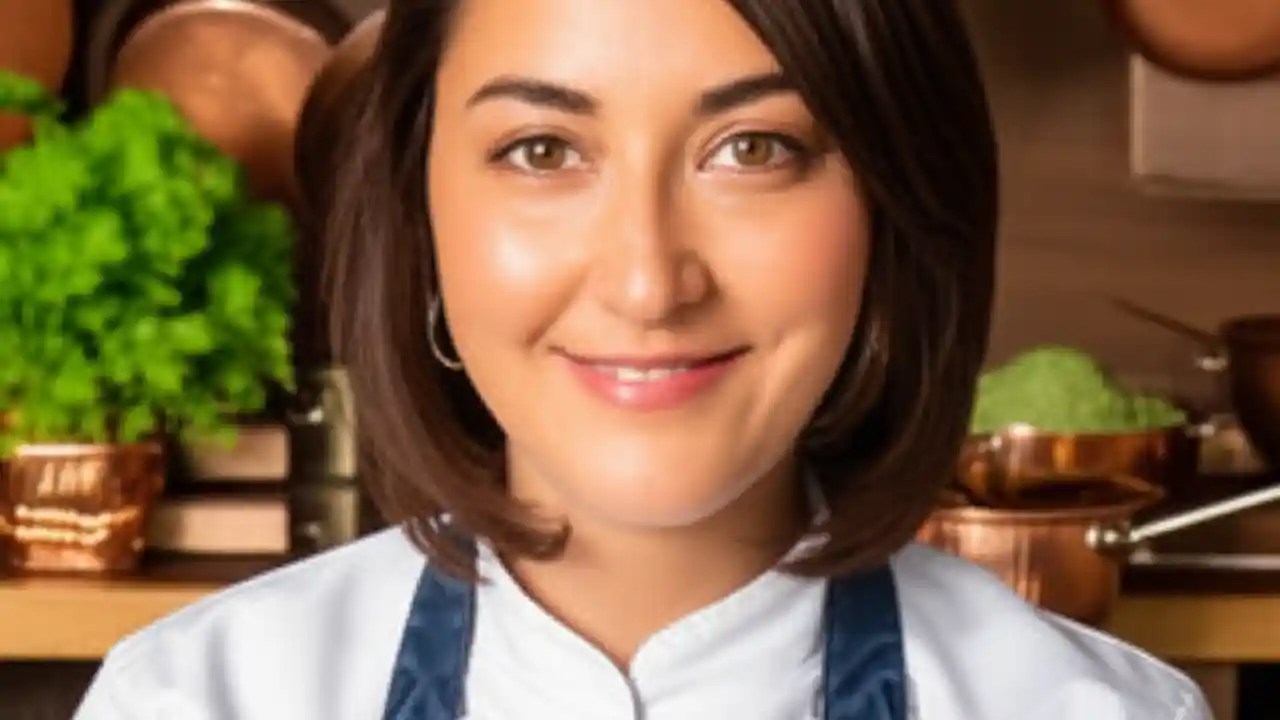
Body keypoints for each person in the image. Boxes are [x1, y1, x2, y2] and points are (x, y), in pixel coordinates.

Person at [75, 0, 1212, 718]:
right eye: (541, 149)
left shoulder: (1083, 712)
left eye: (752, 148)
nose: (646, 278)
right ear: (422, 219)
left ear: (891, 205)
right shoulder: (201, 699)